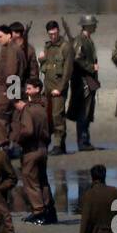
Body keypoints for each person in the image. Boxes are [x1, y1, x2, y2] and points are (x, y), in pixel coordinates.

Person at [13, 81, 57, 223]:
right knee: (43, 180)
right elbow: (51, 127)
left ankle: (39, 211)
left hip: (31, 149)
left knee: (30, 180)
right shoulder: (44, 106)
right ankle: (48, 209)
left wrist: (18, 139)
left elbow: (28, 130)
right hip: (43, 148)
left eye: (29, 88)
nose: (27, 91)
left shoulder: (29, 109)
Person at [40, 20, 73, 154]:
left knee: (57, 115)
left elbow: (67, 70)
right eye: (50, 34)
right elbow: (45, 68)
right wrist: (41, 59)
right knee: (47, 116)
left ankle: (58, 144)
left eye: (55, 33)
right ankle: (57, 144)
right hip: (47, 87)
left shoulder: (65, 47)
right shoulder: (47, 47)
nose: (53, 36)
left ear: (58, 31)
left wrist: (60, 88)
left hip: (59, 87)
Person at [67, 14, 99, 151]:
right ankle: (83, 141)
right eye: (94, 24)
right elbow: (78, 59)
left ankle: (85, 140)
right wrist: (91, 67)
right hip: (83, 80)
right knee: (83, 112)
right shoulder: (81, 40)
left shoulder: (86, 39)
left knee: (86, 111)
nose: (96, 26)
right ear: (88, 26)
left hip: (87, 79)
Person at [0, 23, 25, 142]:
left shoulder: (11, 50)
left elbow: (11, 72)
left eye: (0, 37)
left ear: (9, 35)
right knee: (14, 118)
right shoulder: (11, 48)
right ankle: (14, 144)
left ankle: (4, 143)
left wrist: (5, 91)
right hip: (15, 89)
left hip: (9, 89)